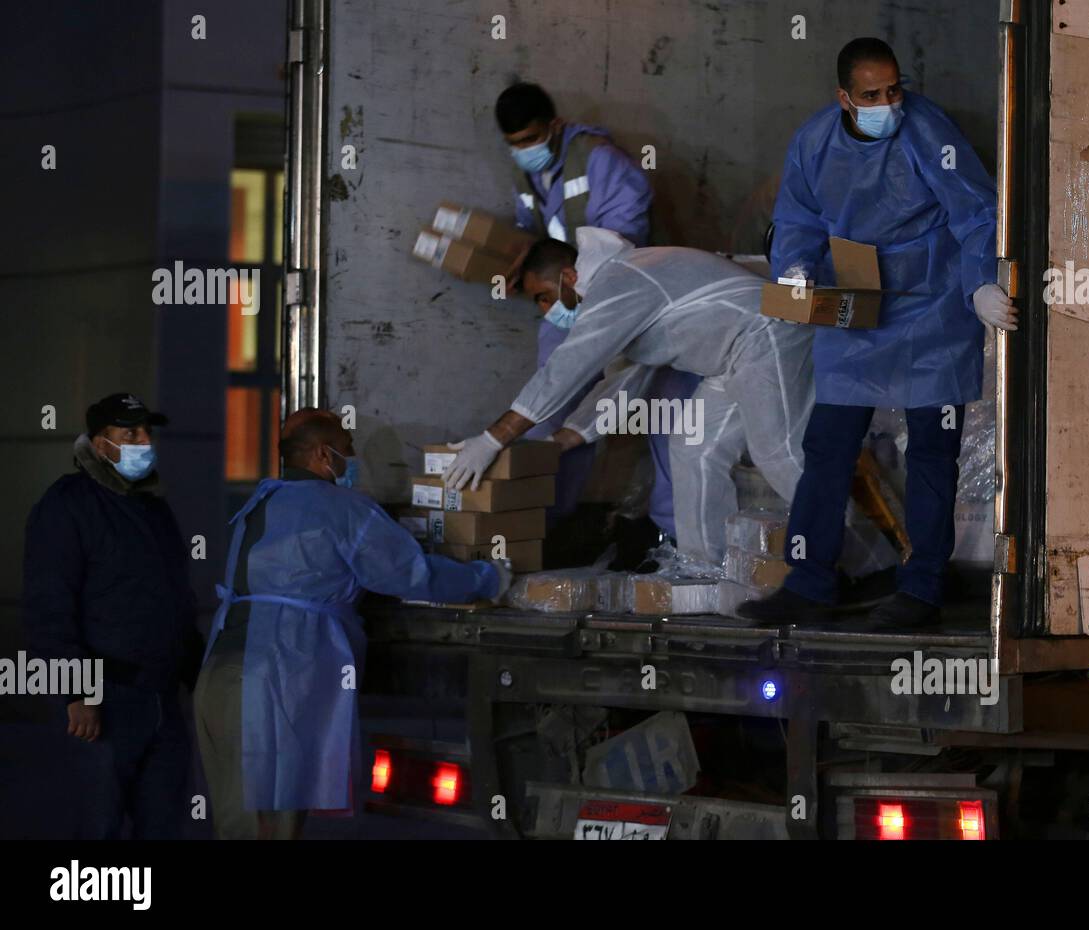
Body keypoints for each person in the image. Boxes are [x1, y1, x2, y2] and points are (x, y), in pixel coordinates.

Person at [738, 38, 1018, 628]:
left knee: (932, 452)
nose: (887, 103)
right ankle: (810, 581)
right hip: (857, 302)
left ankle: (922, 588)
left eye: (894, 90)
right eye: (871, 95)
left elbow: (976, 210)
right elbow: (797, 218)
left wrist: (977, 284)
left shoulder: (926, 131)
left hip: (934, 304)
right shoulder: (814, 143)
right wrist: (795, 269)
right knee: (828, 446)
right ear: (844, 97)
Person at [194, 409, 511, 840]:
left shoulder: (259, 502)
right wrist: (488, 578)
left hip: (219, 679)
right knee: (268, 828)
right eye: (348, 449)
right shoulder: (341, 508)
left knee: (240, 823)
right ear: (324, 455)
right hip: (271, 684)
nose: (354, 458)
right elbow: (410, 573)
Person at [443, 227, 814, 565]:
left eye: (543, 297)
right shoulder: (617, 289)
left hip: (765, 335)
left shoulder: (619, 280)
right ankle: (705, 570)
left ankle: (859, 559)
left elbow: (567, 368)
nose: (546, 311)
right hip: (731, 359)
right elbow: (624, 381)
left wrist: (494, 438)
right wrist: (556, 444)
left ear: (569, 277)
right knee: (691, 446)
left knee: (777, 452)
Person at [494, 82, 697, 548]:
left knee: (665, 409)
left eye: (530, 139)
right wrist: (526, 271)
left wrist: (572, 281)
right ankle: (543, 524)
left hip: (630, 305)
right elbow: (536, 237)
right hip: (571, 306)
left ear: (555, 126)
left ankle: (674, 532)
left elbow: (621, 242)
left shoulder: (601, 161)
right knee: (552, 406)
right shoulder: (529, 177)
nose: (524, 151)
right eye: (515, 144)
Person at [22, 393, 202, 839]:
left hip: (162, 697)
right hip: (105, 699)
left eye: (147, 432)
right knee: (97, 824)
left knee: (162, 823)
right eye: (130, 433)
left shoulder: (152, 508)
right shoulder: (67, 505)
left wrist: (200, 675)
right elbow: (49, 605)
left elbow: (174, 600)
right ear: (101, 445)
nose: (145, 441)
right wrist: (75, 692)